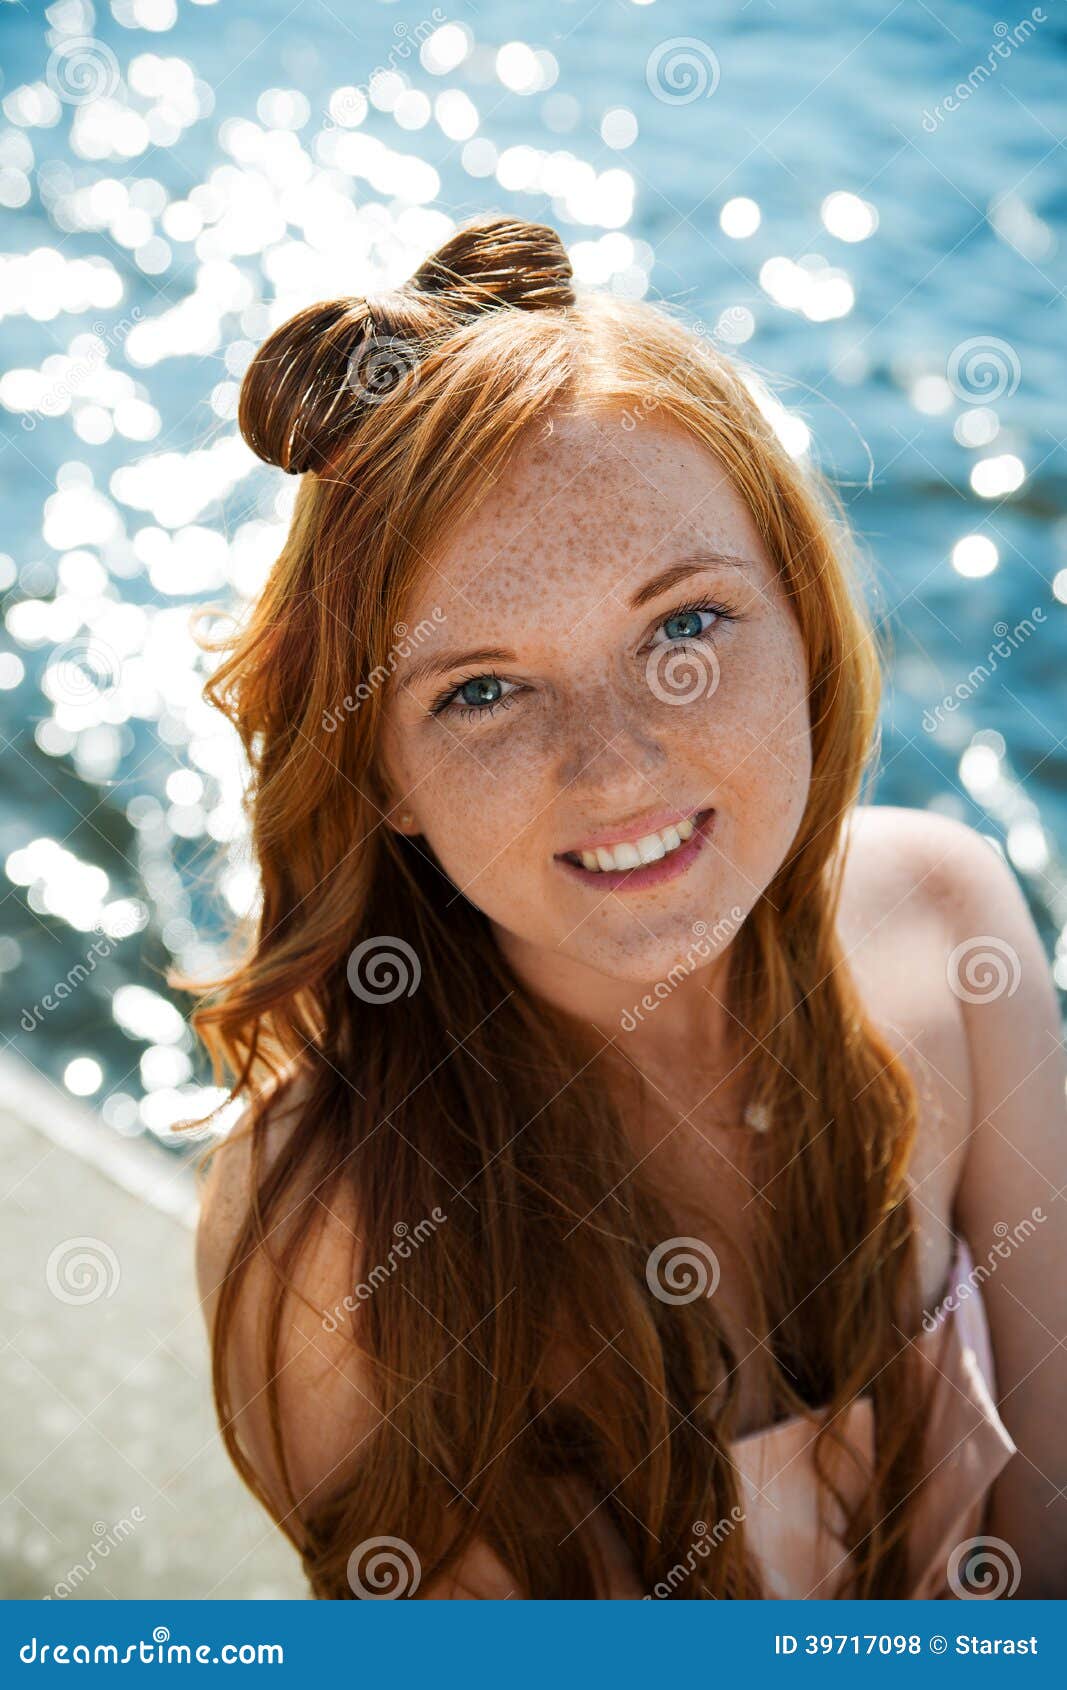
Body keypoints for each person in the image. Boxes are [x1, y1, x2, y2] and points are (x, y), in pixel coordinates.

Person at [188, 214, 1066, 1599]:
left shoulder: (949, 918)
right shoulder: (331, 1220)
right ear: (384, 769)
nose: (613, 762)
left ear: (802, 618)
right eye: (480, 689)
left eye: (683, 627)